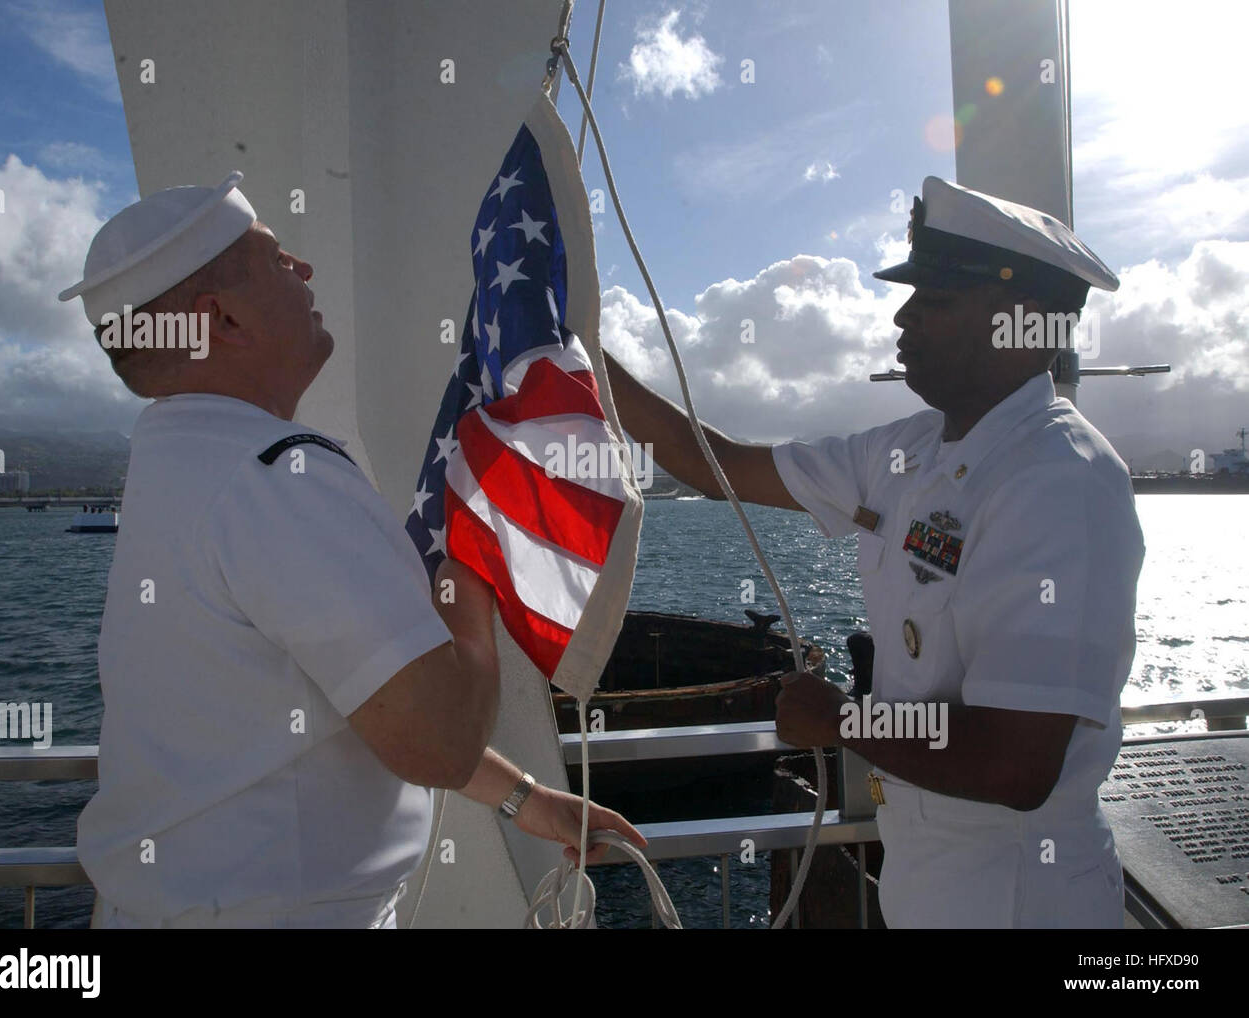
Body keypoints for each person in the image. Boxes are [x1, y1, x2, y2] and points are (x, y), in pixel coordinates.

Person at [59, 171, 643, 928]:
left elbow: (368, 695)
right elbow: (435, 742)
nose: (301, 269)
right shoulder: (277, 478)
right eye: (273, 259)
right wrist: (471, 563)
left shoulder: (179, 463)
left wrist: (526, 801)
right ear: (224, 319)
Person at [602, 176, 1145, 928]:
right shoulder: (910, 451)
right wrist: (584, 355)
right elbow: (711, 461)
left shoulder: (1060, 481)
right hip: (926, 888)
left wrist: (844, 721)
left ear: (1016, 322)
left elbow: (1015, 762)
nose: (903, 315)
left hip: (1022, 901)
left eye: (936, 300)